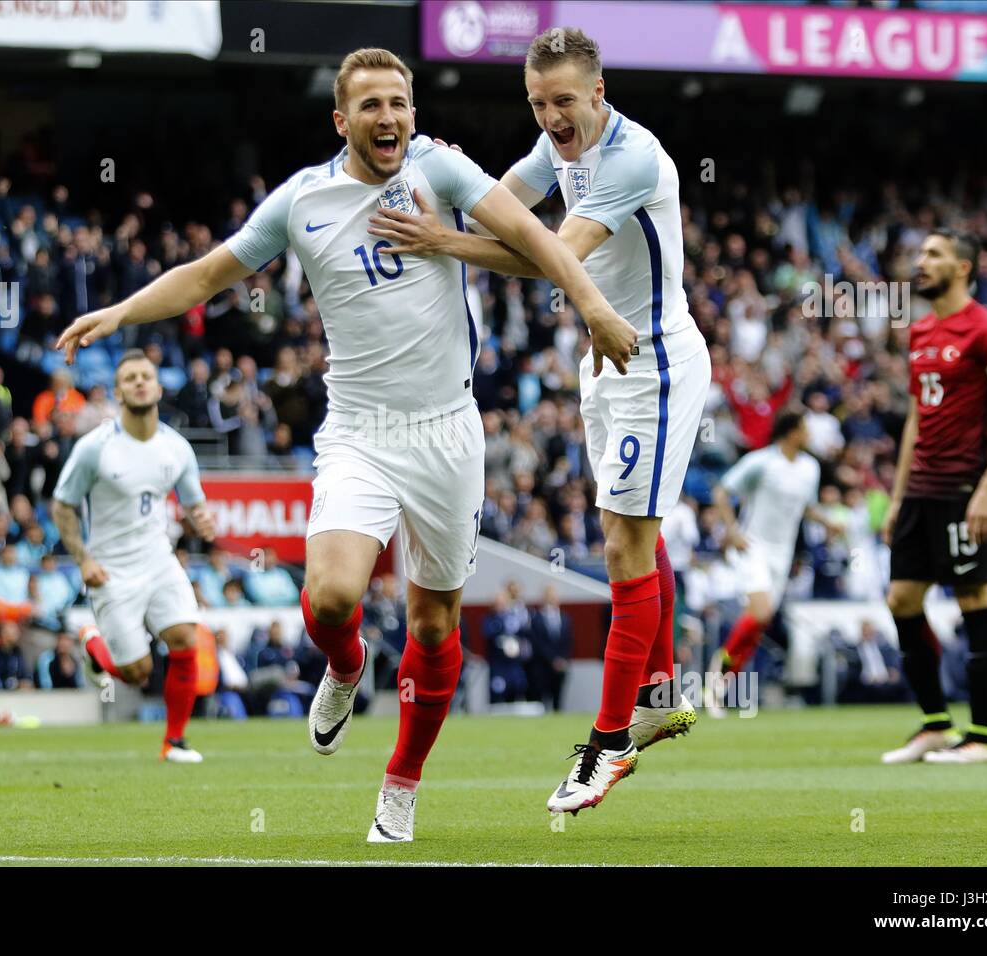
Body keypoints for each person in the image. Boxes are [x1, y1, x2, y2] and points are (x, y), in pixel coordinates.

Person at [55, 47, 635, 841]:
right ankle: (345, 662)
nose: (389, 117)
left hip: (448, 434)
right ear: (342, 119)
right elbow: (206, 275)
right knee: (331, 597)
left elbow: (538, 242)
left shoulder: (443, 171)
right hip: (359, 432)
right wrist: (120, 314)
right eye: (371, 106)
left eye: (399, 103)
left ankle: (400, 785)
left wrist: (594, 307)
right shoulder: (302, 200)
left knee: (434, 628)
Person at [367, 28, 708, 814]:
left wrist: (441, 240)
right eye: (538, 102)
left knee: (625, 548)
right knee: (632, 537)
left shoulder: (630, 157)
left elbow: (554, 255)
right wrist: (438, 177)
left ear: (598, 91)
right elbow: (501, 201)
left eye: (562, 101)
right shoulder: (558, 146)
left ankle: (612, 742)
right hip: (607, 361)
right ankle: (658, 695)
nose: (552, 116)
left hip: (653, 360)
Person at [880, 230, 987, 765]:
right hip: (921, 489)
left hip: (965, 488)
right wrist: (898, 496)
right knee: (901, 599)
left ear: (963, 267)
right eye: (920, 253)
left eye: (934, 255)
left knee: (975, 601)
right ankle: (935, 725)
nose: (921, 262)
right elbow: (917, 419)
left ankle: (983, 738)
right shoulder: (919, 331)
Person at [51, 351, 216, 763]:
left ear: (158, 387)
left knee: (185, 639)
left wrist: (203, 520)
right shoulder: (95, 448)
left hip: (159, 560)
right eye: (130, 378)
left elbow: (195, 504)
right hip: (111, 570)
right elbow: (62, 506)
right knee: (136, 673)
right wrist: (83, 558)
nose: (140, 382)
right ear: (119, 391)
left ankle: (173, 742)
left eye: (146, 376)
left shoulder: (176, 448)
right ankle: (92, 643)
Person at [704, 409, 844, 716]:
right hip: (754, 546)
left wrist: (828, 522)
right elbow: (721, 491)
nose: (809, 434)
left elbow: (806, 507)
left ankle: (722, 681)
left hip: (783, 553)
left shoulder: (810, 467)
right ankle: (718, 672)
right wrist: (732, 530)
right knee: (760, 611)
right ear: (791, 431)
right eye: (805, 427)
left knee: (759, 623)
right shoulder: (761, 461)